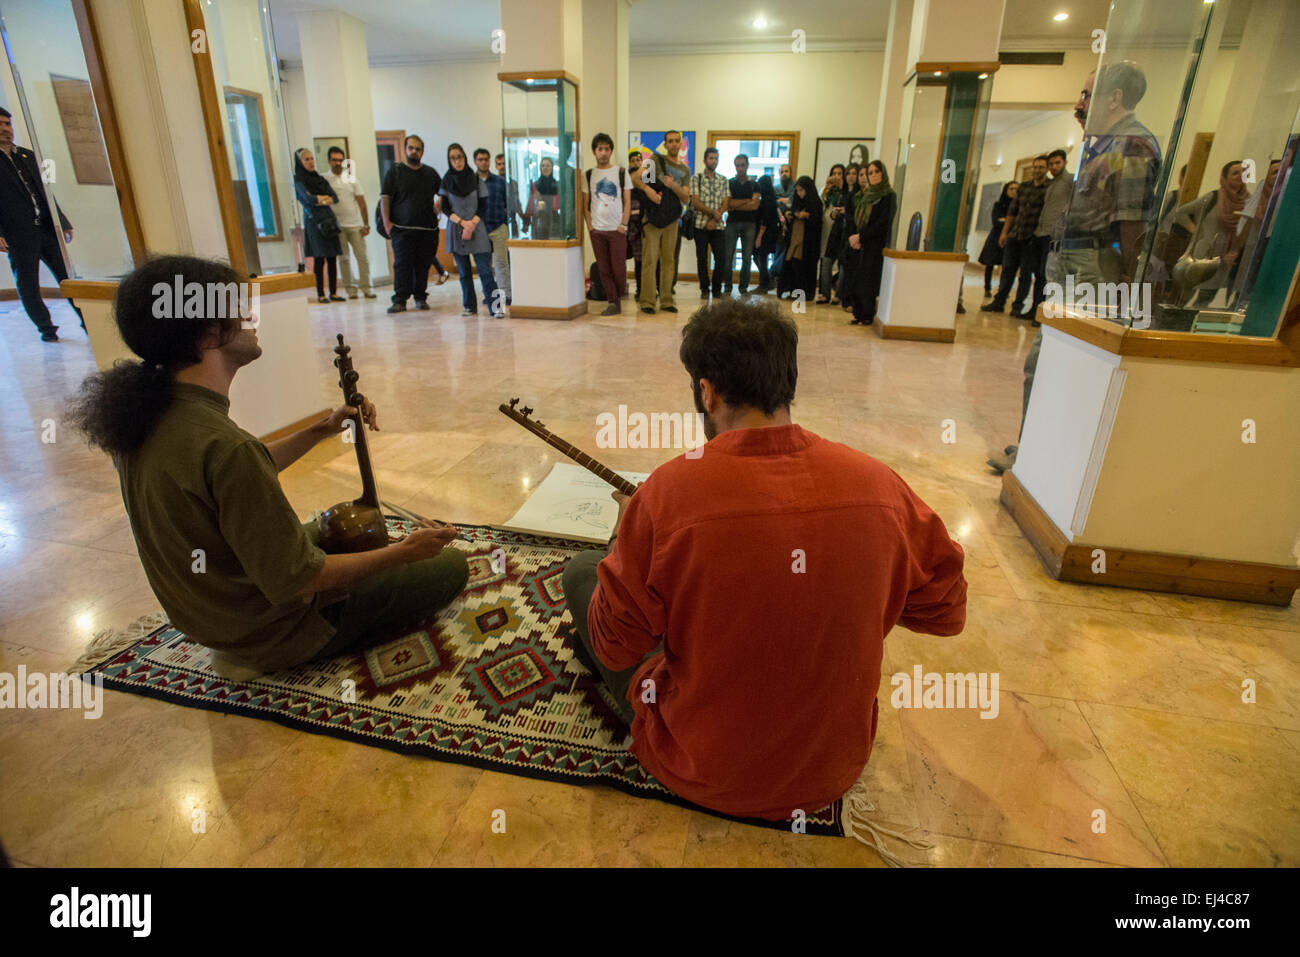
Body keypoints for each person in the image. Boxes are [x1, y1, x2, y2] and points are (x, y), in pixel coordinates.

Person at [560, 296, 966, 821]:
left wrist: (623, 537)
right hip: (833, 768)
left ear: (706, 393)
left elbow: (615, 647)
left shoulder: (666, 494)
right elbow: (945, 613)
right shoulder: (881, 486)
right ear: (787, 382)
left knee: (580, 573)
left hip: (702, 768)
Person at [67, 254, 468, 680]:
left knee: (342, 525)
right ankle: (277, 651)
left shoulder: (143, 415)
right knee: (450, 568)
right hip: (274, 631)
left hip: (212, 615)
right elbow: (298, 581)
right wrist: (403, 554)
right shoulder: (224, 446)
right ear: (208, 333)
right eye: (239, 311)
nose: (251, 319)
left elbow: (229, 482)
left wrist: (320, 429)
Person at [988, 61, 1161, 475]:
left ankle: (1051, 459)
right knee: (1043, 361)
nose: (1079, 105)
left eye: (1087, 95)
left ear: (1114, 98)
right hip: (1071, 263)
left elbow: (1131, 222)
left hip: (1095, 268)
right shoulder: (1102, 144)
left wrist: (1128, 283)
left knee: (1071, 364)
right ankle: (1034, 448)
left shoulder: (1133, 144)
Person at [0, 106, 84, 342]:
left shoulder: (28, 156)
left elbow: (47, 191)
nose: (6, 130)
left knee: (67, 279)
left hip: (46, 229)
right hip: (18, 234)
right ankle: (46, 328)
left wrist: (62, 221)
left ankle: (87, 322)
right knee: (28, 284)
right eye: (0, 125)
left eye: (8, 124)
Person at [1170, 160, 1250, 309]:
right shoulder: (1212, 197)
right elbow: (1181, 212)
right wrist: (1195, 230)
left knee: (1204, 300)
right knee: (1183, 298)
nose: (1240, 176)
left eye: (1243, 172)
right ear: (1225, 177)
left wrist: (1235, 251)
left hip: (1224, 260)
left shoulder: (1249, 202)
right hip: (1200, 257)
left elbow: (1248, 230)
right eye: (1235, 173)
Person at [381, 134, 446, 315]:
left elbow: (444, 192)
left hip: (427, 230)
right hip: (402, 230)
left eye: (418, 149)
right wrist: (387, 223)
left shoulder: (430, 173)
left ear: (422, 151)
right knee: (402, 264)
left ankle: (420, 297)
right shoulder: (395, 172)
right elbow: (385, 198)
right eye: (411, 148)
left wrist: (438, 204)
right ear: (405, 149)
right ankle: (400, 300)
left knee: (422, 265)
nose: (414, 151)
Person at [440, 143, 502, 318]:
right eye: (453, 158)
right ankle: (469, 306)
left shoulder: (475, 179)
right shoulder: (446, 180)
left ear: (465, 158)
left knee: (485, 271)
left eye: (459, 157)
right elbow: (445, 207)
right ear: (449, 160)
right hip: (456, 228)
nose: (457, 161)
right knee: (463, 272)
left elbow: (483, 206)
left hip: (477, 227)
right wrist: (461, 222)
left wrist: (471, 223)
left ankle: (496, 307)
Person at [633, 130, 690, 314]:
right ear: (665, 144)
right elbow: (635, 178)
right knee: (650, 260)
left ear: (680, 144)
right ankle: (647, 301)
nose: (673, 144)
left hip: (672, 219)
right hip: (652, 218)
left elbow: (686, 198)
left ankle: (666, 300)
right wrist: (648, 191)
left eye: (676, 141)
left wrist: (672, 185)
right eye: (670, 141)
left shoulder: (685, 170)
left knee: (669, 260)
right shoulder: (655, 160)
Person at [983, 155, 1048, 316]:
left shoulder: (1049, 188)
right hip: (1015, 235)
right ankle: (999, 301)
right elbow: (1012, 212)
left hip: (1031, 238)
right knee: (1007, 270)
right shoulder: (1024, 187)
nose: (1037, 170)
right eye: (1035, 167)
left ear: (1046, 169)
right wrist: (1005, 232)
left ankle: (1017, 306)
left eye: (1041, 167)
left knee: (1025, 274)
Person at [582, 132, 632, 316]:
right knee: (603, 269)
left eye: (606, 149)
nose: (603, 152)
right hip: (597, 230)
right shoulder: (588, 175)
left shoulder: (621, 172)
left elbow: (627, 201)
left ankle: (617, 295)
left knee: (618, 269)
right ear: (594, 152)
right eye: (599, 149)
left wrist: (623, 225)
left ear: (611, 151)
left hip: (617, 230)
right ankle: (613, 302)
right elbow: (585, 204)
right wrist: (590, 227)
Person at [844, 160, 896, 326]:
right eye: (870, 173)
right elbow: (857, 218)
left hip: (874, 245)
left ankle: (867, 315)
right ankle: (858, 314)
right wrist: (856, 237)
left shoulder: (888, 195)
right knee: (856, 279)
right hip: (860, 243)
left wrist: (862, 237)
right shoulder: (866, 195)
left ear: (883, 173)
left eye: (876, 172)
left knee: (868, 281)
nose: (872, 175)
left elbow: (883, 223)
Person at [323, 146, 375, 300]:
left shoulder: (351, 178)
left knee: (362, 257)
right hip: (337, 226)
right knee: (344, 259)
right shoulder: (324, 179)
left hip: (355, 225)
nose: (338, 163)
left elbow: (362, 202)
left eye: (340, 160)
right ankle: (351, 290)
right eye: (334, 160)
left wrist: (366, 224)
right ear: (329, 161)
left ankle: (367, 288)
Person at [294, 149, 343, 305]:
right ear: (300, 162)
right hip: (314, 221)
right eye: (306, 159)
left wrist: (319, 200)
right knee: (319, 258)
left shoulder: (319, 179)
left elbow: (334, 197)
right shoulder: (299, 179)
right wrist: (322, 199)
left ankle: (334, 292)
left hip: (328, 219)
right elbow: (307, 199)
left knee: (332, 257)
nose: (311, 162)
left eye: (312, 158)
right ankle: (321, 293)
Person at [1030, 149, 1074, 324]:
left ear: (1064, 163)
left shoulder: (1070, 181)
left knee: (1048, 275)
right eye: (1051, 164)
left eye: (1057, 163)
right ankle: (1035, 309)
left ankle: (1044, 314)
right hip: (1041, 232)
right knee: (1039, 274)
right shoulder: (1051, 184)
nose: (1054, 167)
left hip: (1055, 235)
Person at [689, 146, 728, 298]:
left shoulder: (723, 180)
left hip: (718, 226)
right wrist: (713, 213)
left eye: (716, 158)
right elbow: (696, 202)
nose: (714, 161)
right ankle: (705, 289)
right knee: (702, 259)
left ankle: (717, 289)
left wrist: (715, 217)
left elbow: (726, 201)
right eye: (711, 158)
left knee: (721, 259)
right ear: (704, 160)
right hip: (700, 225)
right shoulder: (696, 178)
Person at [474, 148, 511, 309]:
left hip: (498, 226)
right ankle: (490, 296)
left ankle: (505, 295)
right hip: (479, 229)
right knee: (485, 266)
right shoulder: (471, 182)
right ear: (475, 161)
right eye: (480, 159)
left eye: (486, 159)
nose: (483, 162)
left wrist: (505, 222)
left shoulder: (499, 181)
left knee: (501, 263)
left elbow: (508, 204)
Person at [777, 176, 822, 302]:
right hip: (795, 238)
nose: (799, 193)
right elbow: (792, 212)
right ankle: (793, 292)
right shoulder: (797, 201)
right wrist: (790, 215)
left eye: (801, 190)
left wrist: (807, 215)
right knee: (792, 266)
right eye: (797, 190)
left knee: (802, 267)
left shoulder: (816, 203)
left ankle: (803, 294)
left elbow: (817, 221)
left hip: (807, 242)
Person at [722, 153, 760, 295]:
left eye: (743, 165)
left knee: (746, 258)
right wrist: (746, 200)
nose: (740, 168)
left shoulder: (754, 184)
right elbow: (728, 204)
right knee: (728, 256)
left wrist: (736, 203)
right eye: (737, 165)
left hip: (749, 224)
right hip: (732, 223)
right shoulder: (729, 183)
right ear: (735, 166)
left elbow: (755, 206)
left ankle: (743, 287)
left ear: (747, 165)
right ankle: (727, 287)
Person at [977, 181, 1017, 298]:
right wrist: (1009, 221)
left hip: (1011, 238)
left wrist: (1004, 220)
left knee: (1007, 265)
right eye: (1011, 189)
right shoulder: (998, 205)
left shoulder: (1018, 206)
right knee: (990, 263)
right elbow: (996, 221)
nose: (1014, 191)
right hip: (995, 237)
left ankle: (1002, 290)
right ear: (1006, 190)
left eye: (1016, 189)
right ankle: (987, 288)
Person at [495, 153, 522, 304]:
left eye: (504, 164)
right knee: (499, 262)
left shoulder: (514, 184)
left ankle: (512, 291)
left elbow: (517, 204)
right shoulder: (492, 182)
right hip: (497, 226)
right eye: (499, 164)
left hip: (512, 224)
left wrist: (524, 219)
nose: (501, 167)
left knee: (512, 259)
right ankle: (499, 292)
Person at [833, 164, 861, 306]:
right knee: (842, 264)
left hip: (854, 234)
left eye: (854, 173)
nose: (851, 176)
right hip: (841, 233)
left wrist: (846, 212)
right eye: (848, 173)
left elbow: (857, 217)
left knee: (848, 267)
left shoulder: (858, 194)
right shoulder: (843, 192)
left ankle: (843, 296)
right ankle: (841, 294)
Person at [816, 164, 844, 304]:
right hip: (826, 230)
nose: (836, 177)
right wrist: (826, 189)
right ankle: (824, 293)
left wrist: (840, 187)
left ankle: (839, 294)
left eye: (839, 174)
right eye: (834, 173)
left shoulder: (845, 192)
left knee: (842, 264)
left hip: (841, 231)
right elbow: (819, 207)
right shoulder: (824, 192)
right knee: (825, 261)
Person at [751, 174, 779, 294]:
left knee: (760, 256)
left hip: (765, 234)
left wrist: (759, 237)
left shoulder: (767, 201)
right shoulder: (772, 199)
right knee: (760, 256)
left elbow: (765, 220)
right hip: (770, 234)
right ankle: (767, 280)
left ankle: (764, 283)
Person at [626, 149, 646, 299]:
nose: (636, 163)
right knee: (633, 262)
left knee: (645, 262)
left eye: (638, 160)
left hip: (644, 229)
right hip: (629, 230)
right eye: (633, 160)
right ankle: (635, 290)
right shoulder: (625, 189)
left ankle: (645, 290)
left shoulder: (647, 186)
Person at [772, 162, 796, 282]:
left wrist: (782, 200)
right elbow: (774, 203)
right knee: (779, 249)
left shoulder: (796, 187)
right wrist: (784, 202)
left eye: (786, 171)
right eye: (782, 172)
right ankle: (776, 276)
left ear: (791, 173)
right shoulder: (775, 188)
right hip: (779, 224)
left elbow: (793, 202)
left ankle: (776, 271)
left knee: (789, 251)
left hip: (793, 224)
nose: (784, 174)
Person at [528, 157, 562, 239]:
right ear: (540, 168)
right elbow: (530, 206)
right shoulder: (535, 185)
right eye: (543, 165)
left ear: (552, 168)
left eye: (547, 165)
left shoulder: (557, 185)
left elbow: (558, 206)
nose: (545, 168)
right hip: (539, 221)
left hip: (554, 222)